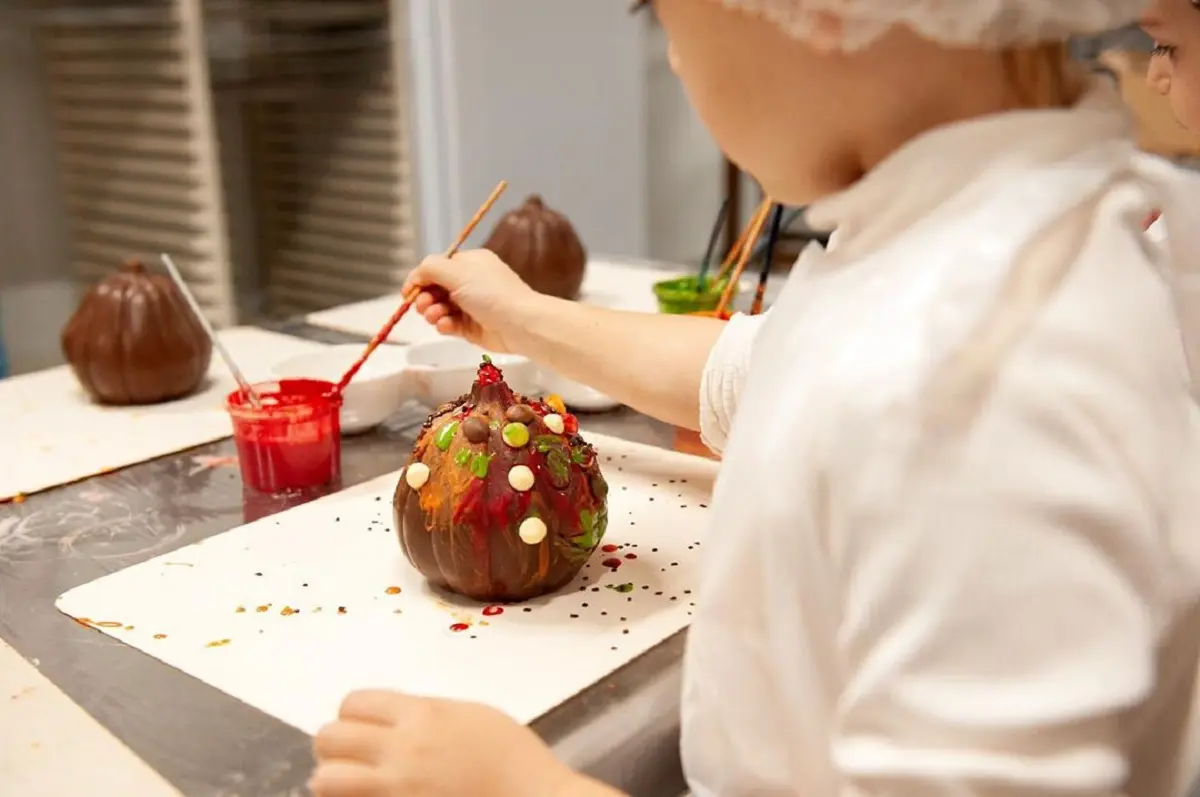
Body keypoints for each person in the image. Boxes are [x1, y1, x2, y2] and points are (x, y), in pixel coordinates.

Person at [309, 2, 1200, 796]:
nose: (676, 61)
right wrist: (526, 318)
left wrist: (517, 785)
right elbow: (761, 370)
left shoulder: (983, 368)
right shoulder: (964, 248)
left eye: (658, 13)